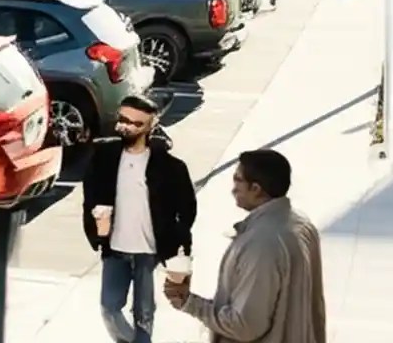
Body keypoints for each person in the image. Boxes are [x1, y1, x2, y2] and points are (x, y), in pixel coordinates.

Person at [165, 149, 326, 343]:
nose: (233, 190)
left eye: (238, 181)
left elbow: (245, 326)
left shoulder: (262, 245)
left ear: (256, 188)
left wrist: (190, 303)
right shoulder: (301, 225)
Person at [82, 95, 196, 343]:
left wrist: (179, 247)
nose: (127, 127)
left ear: (150, 126)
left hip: (149, 250)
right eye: (123, 119)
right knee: (109, 308)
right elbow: (90, 198)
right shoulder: (103, 156)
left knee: (143, 313)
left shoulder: (171, 167)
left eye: (136, 123)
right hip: (114, 248)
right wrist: (97, 229)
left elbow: (186, 210)